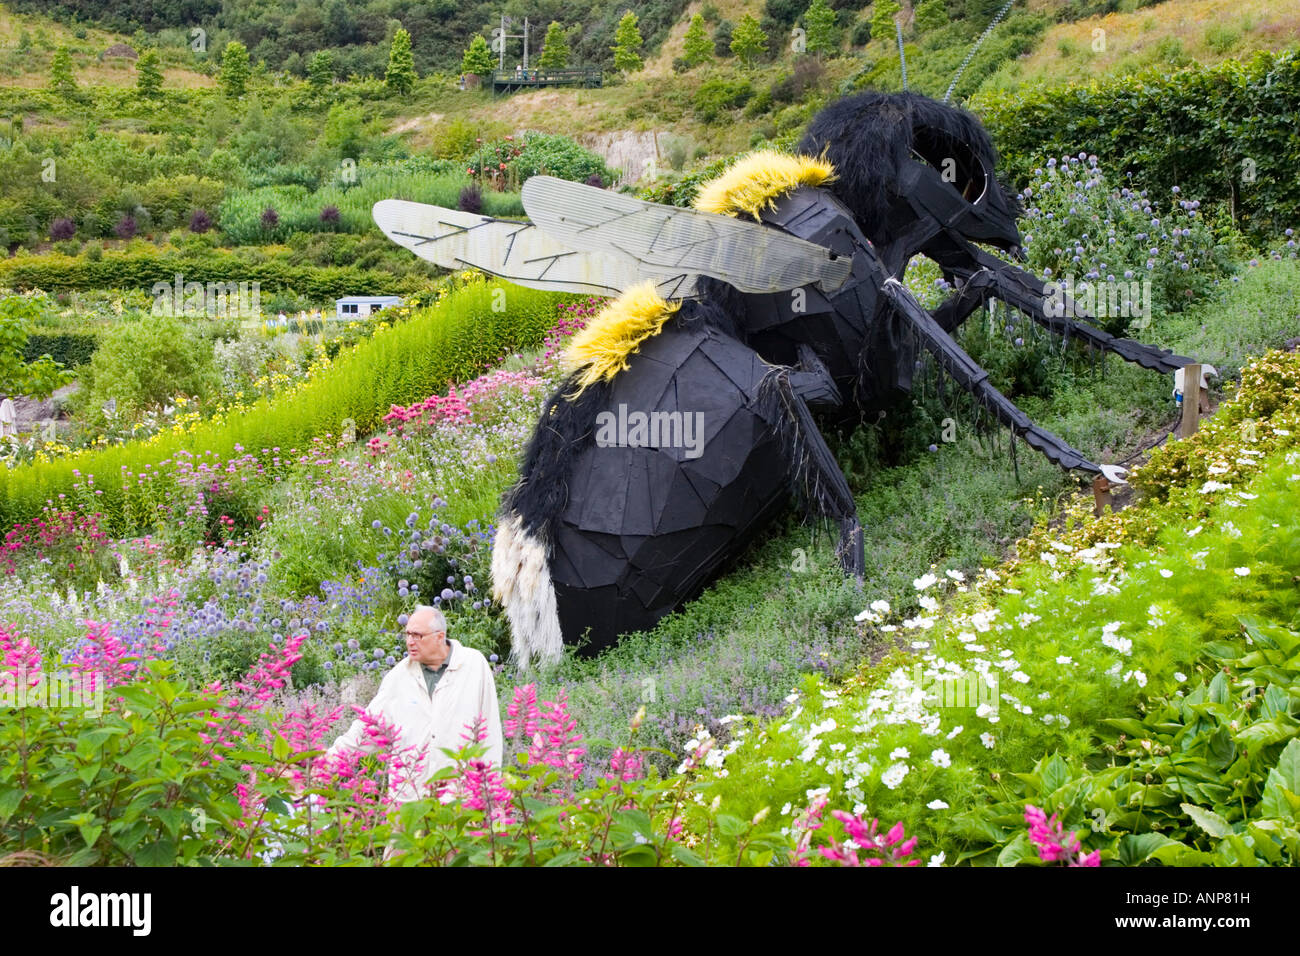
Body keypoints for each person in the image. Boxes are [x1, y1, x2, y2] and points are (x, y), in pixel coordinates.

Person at [324, 605, 503, 805]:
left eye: (418, 635)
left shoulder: (473, 665)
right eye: (408, 634)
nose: (410, 642)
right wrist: (325, 761)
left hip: (460, 798)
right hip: (410, 798)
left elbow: (490, 732)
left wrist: (491, 793)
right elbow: (367, 728)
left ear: (439, 636)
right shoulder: (398, 677)